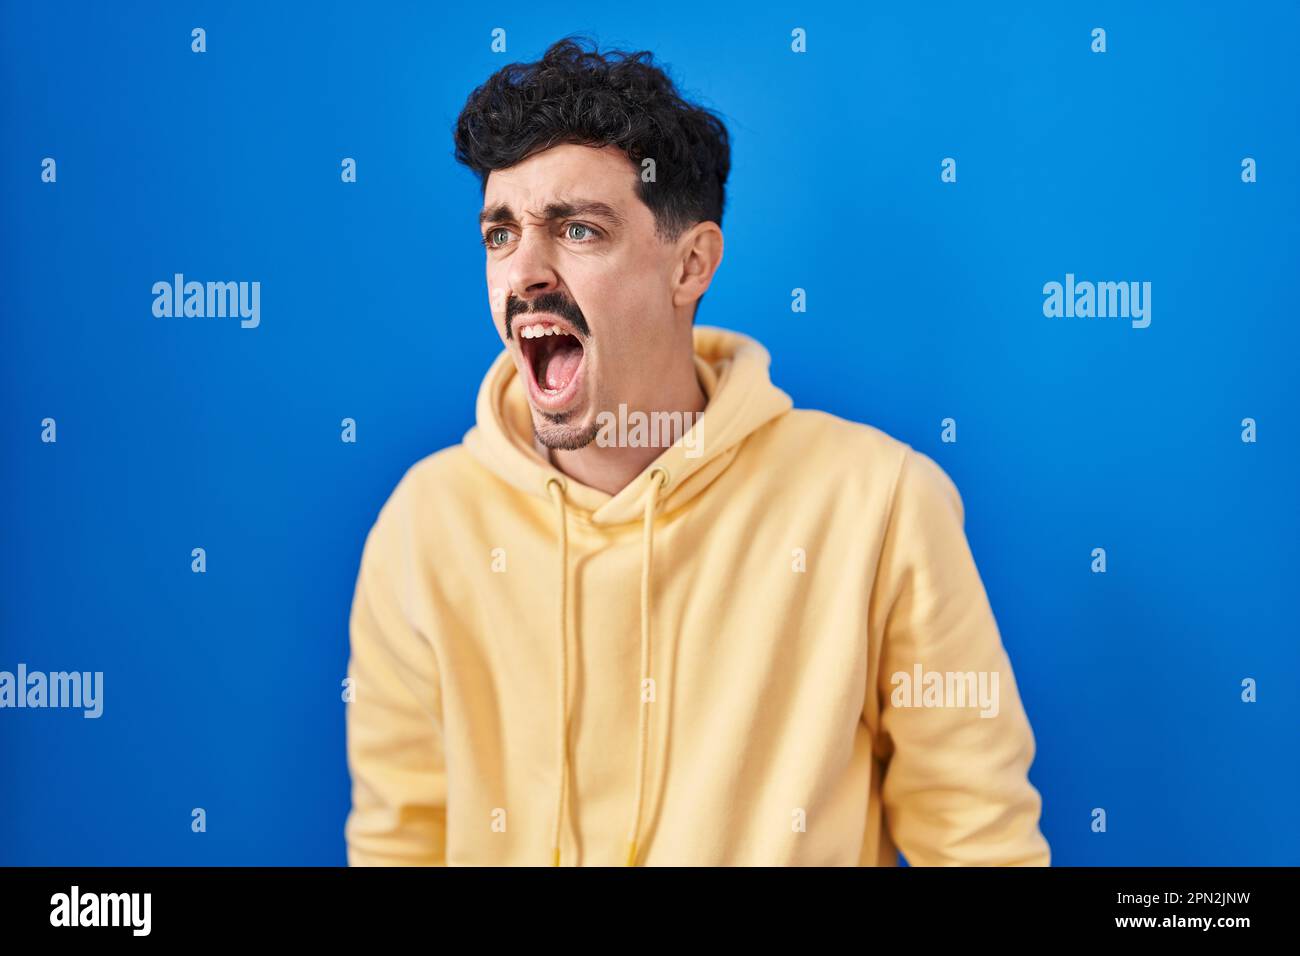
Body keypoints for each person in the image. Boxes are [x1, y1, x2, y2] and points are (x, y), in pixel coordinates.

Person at [343, 36, 1050, 866]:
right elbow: (400, 844)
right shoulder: (424, 525)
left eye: (576, 229)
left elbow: (979, 844)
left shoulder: (879, 503)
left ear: (691, 265)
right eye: (501, 235)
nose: (525, 272)